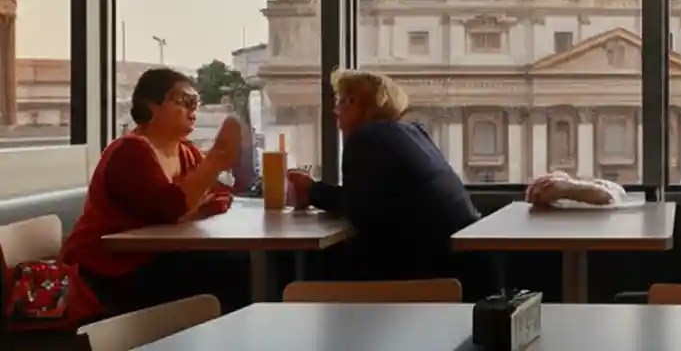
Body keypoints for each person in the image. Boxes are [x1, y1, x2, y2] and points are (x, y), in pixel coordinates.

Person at [60, 67, 248, 313]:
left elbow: (219, 195)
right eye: (183, 100)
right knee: (231, 267)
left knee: (238, 262)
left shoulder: (186, 151)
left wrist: (196, 203)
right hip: (105, 270)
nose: (192, 108)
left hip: (153, 258)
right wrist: (216, 160)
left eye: (196, 102)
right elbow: (168, 208)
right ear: (151, 105)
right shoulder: (129, 152)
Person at [287, 69, 480, 282]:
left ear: (369, 107)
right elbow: (374, 198)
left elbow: (359, 207)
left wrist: (311, 191)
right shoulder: (412, 133)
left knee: (311, 276)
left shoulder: (366, 138)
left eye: (345, 101)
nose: (336, 110)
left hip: (424, 274)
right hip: (463, 265)